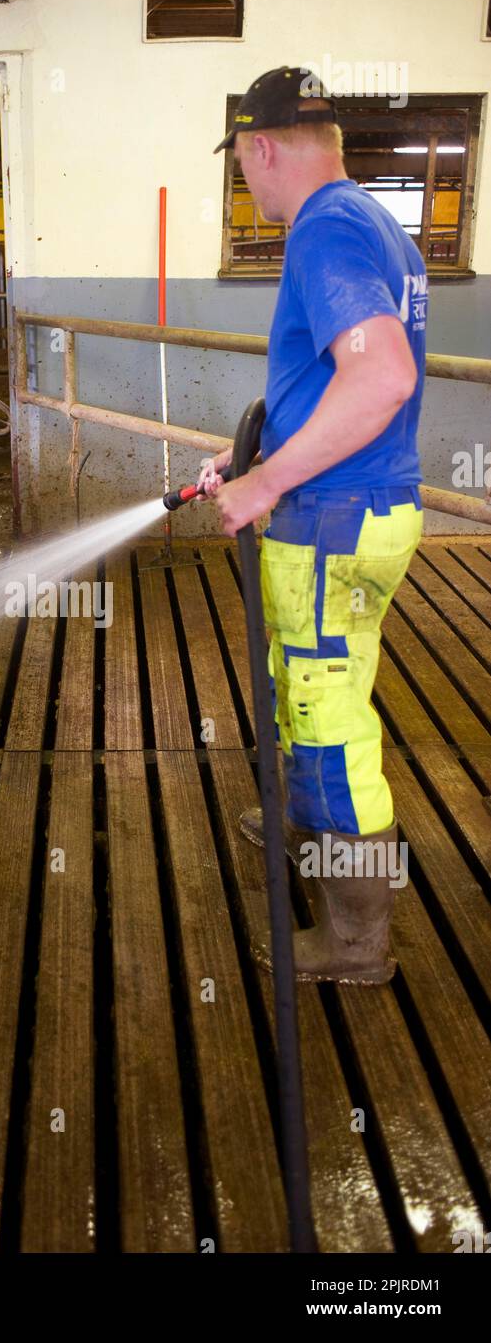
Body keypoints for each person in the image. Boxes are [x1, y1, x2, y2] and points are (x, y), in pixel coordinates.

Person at [198, 66, 427, 985]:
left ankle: (355, 942)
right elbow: (334, 377)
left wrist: (265, 487)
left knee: (328, 719)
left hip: (333, 514)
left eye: (241, 164)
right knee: (306, 682)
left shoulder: (322, 229)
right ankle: (300, 825)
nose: (245, 183)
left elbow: (379, 379)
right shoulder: (374, 220)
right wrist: (251, 458)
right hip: (349, 503)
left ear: (259, 148)